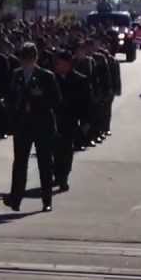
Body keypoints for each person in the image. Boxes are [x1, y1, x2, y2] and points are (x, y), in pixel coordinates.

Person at [5, 42, 60, 214]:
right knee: (20, 163)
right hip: (22, 125)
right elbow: (10, 97)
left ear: (35, 58)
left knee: (45, 164)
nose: (26, 62)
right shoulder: (16, 75)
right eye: (24, 58)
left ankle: (47, 200)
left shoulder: (46, 76)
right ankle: (16, 198)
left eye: (29, 58)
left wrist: (40, 99)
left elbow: (56, 99)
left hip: (42, 124)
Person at [52, 48, 90, 192]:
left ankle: (63, 177)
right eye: (58, 64)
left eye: (62, 63)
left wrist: (85, 121)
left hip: (70, 121)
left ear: (69, 64)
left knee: (67, 151)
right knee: (54, 151)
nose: (59, 66)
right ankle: (57, 174)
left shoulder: (80, 80)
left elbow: (86, 102)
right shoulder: (51, 78)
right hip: (53, 121)